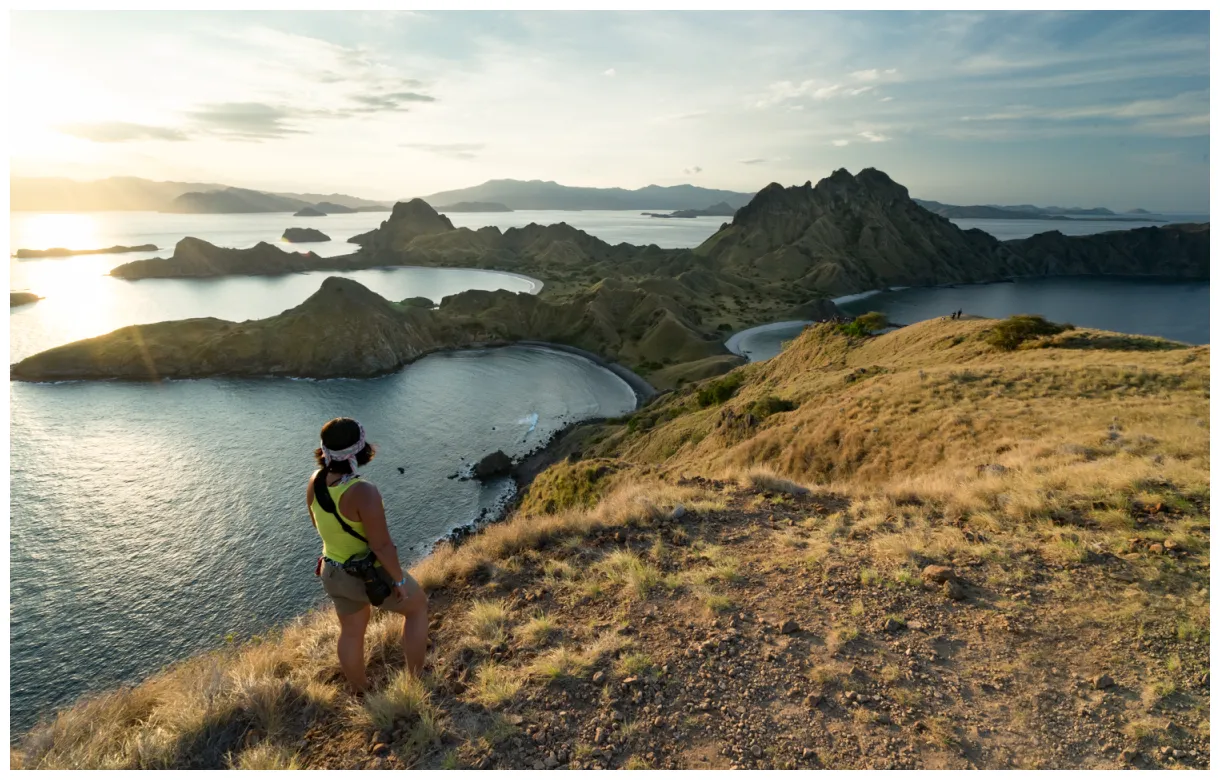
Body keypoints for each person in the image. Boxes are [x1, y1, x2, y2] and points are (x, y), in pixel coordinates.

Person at [307, 417, 428, 693]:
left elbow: (318, 526)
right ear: (359, 450)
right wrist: (397, 582)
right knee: (417, 607)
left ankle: (361, 691)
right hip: (368, 575)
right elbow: (382, 546)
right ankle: (416, 681)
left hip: (332, 572)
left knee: (351, 631)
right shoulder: (363, 491)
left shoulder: (315, 482)